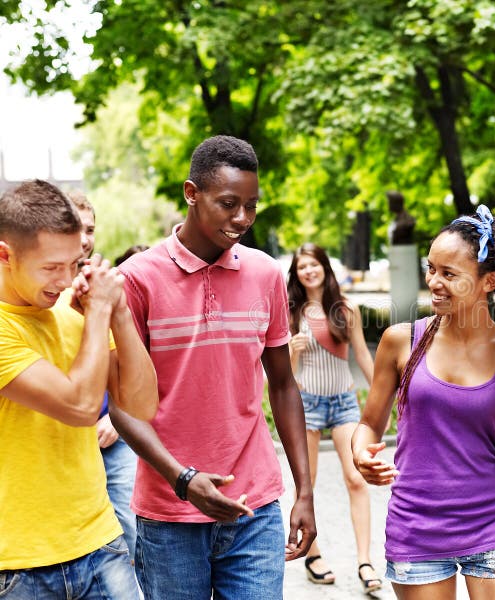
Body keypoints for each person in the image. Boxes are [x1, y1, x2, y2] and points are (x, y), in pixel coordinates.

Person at [109, 135, 316, 599]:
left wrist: (304, 491)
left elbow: (282, 386)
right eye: (228, 204)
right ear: (191, 193)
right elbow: (123, 406)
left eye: (251, 205)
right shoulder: (137, 280)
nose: (241, 218)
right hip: (169, 515)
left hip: (254, 509)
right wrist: (183, 480)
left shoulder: (265, 274)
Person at [352, 205, 495, 600]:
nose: (434, 283)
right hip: (418, 527)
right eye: (431, 269)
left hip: (493, 524)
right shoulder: (401, 340)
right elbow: (369, 423)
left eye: (450, 274)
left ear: (489, 281)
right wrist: (361, 453)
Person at [0, 180, 158, 599]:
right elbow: (82, 405)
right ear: (5, 255)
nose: (66, 279)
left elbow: (140, 405)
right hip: (17, 563)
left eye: (74, 264)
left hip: (99, 542)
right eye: (51, 268)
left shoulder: (73, 305)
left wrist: (119, 314)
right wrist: (100, 311)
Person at [286, 242, 380, 592]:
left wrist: (383, 401)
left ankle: (365, 561)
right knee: (306, 485)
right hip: (306, 404)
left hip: (343, 402)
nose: (308, 271)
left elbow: (364, 357)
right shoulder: (291, 311)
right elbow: (283, 377)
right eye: (302, 266)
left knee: (357, 478)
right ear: (296, 273)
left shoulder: (345, 309)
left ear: (325, 267)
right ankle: (312, 553)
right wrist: (293, 354)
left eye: (313, 264)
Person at [65, 191, 140, 559]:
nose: (84, 238)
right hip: (65, 437)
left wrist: (115, 417)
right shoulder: (44, 292)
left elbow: (125, 369)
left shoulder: (103, 285)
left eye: (90, 228)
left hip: (112, 433)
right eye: (76, 228)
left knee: (128, 526)